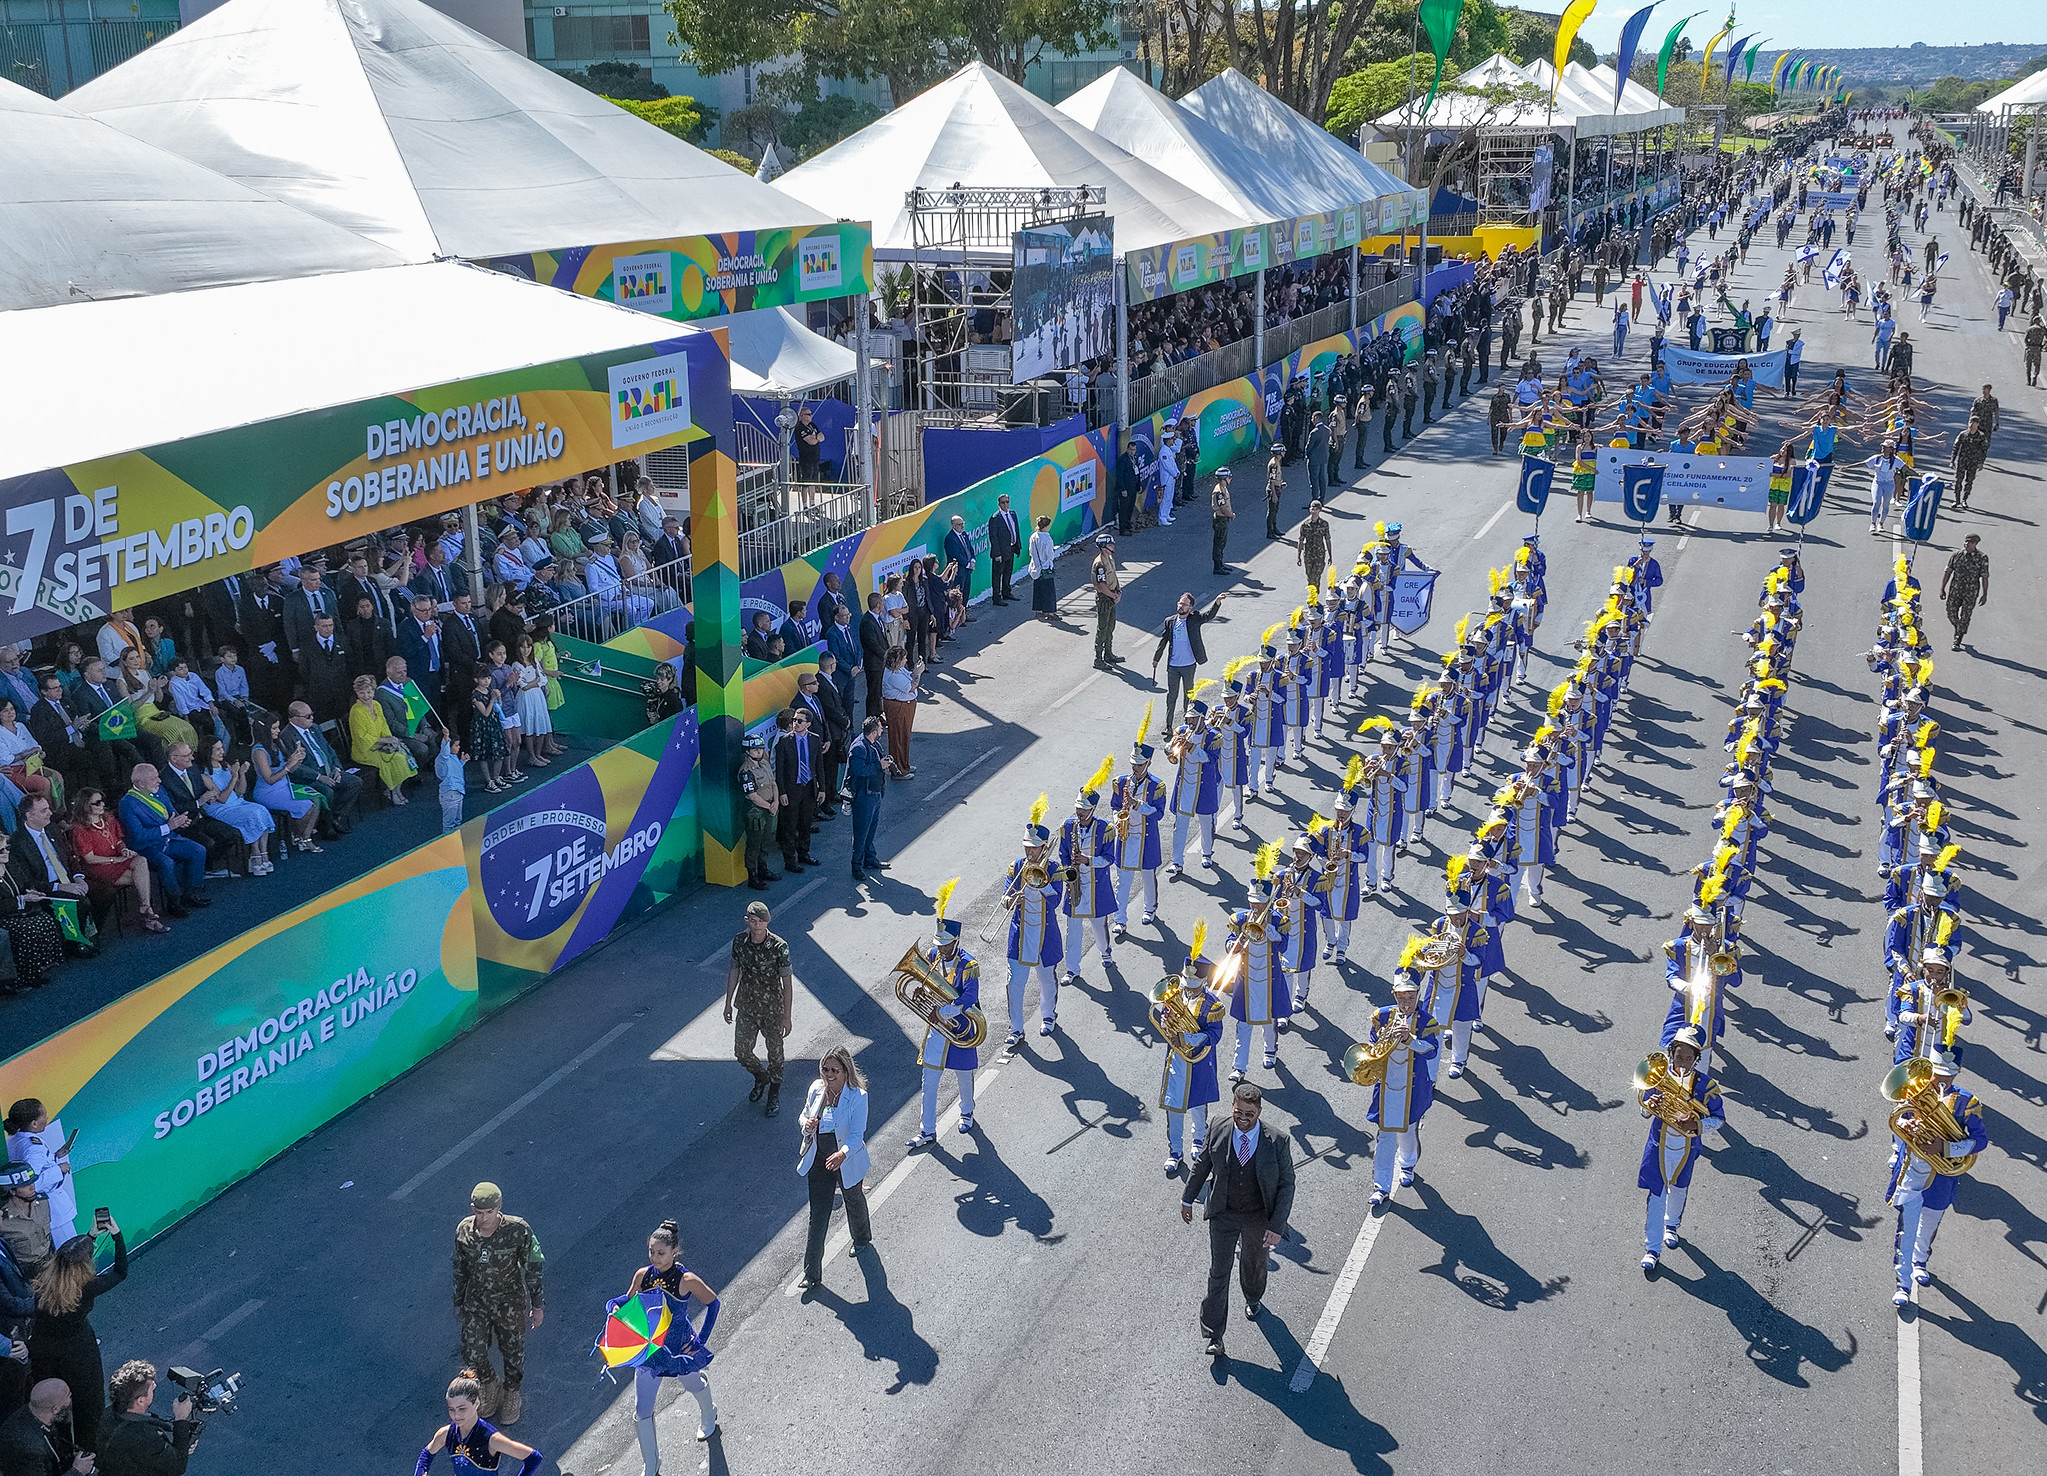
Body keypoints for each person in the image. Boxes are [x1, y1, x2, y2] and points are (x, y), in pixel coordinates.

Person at [1179, 1083, 1295, 1360]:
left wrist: (1276, 1227)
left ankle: (1253, 1297)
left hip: (1257, 1216)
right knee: (1219, 1271)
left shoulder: (1278, 1141)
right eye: (1238, 1112)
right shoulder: (1218, 1127)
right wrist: (1187, 1198)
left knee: (1253, 1264)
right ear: (1233, 1107)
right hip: (1224, 1213)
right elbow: (1202, 1164)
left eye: (1249, 1114)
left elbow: (1287, 1185)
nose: (1243, 1119)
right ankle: (1214, 1335)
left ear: (1259, 1112)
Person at [614, 1219, 721, 1467]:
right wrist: (616, 1306)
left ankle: (709, 1413)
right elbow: (627, 1300)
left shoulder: (687, 1279)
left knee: (693, 1383)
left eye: (661, 1253)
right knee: (642, 1411)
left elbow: (713, 1303)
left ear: (675, 1251)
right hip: (649, 1351)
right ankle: (651, 1464)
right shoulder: (643, 1275)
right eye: (651, 1251)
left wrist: (700, 1341)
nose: (655, 1257)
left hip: (677, 1350)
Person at [1886, 1048, 1989, 1305]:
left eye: (1948, 1075)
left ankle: (1920, 1261)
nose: (1942, 1081)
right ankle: (1903, 1284)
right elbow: (1899, 1126)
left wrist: (1945, 1148)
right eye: (1938, 1074)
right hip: (1913, 1173)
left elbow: (1980, 1141)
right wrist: (1906, 1126)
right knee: (1906, 1230)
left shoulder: (1967, 1102)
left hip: (1942, 1176)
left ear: (1956, 1075)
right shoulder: (1911, 1095)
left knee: (1928, 1225)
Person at [451, 1183, 545, 1426]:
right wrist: (458, 1300)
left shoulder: (517, 1230)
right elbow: (460, 1269)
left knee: (512, 1351)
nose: (483, 1218)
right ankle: (490, 1383)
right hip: (477, 1301)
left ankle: (512, 1392)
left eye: (489, 1213)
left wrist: (537, 1304)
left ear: (499, 1208)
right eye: (479, 1212)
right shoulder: (464, 1231)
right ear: (473, 1209)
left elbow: (533, 1266)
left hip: (509, 1302)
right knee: (472, 1351)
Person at [26, 1223, 123, 1455]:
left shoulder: (43, 1283)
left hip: (43, 1353)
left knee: (52, 1405)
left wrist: (89, 1237)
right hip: (78, 1354)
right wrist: (117, 1236)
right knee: (89, 1406)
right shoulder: (85, 1289)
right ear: (82, 1267)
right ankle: (87, 1456)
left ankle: (60, 1451)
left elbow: (69, 1256)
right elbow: (121, 1272)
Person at [1637, 1026, 1724, 1273]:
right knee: (1656, 1196)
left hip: (1686, 1146)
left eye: (1688, 1058)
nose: (1683, 1062)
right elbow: (1644, 1110)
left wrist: (1696, 1124)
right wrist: (1649, 1105)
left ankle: (1671, 1225)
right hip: (1659, 1145)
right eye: (1679, 1056)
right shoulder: (1658, 1077)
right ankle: (1652, 1249)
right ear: (1671, 1054)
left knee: (1679, 1190)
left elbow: (1718, 1119)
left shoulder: (1706, 1086)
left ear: (1696, 1059)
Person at [906, 883, 979, 1149]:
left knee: (964, 1074)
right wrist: (921, 988)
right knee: (929, 1080)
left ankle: (967, 1110)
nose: (942, 949)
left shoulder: (969, 965)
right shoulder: (933, 954)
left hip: (959, 1026)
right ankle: (927, 1130)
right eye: (940, 944)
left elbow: (970, 998)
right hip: (938, 1029)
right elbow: (928, 981)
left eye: (946, 945)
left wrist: (945, 1011)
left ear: (956, 942)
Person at [796, 1044, 873, 1291]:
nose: (829, 1074)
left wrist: (843, 1154)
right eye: (825, 1069)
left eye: (834, 1070)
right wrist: (806, 1125)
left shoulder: (857, 1096)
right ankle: (811, 1273)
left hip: (845, 1159)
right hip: (819, 1159)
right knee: (818, 1214)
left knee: (853, 1199)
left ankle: (861, 1238)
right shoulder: (816, 1089)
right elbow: (804, 1115)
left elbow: (857, 1134)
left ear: (846, 1071)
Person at [1363, 975, 1439, 1206]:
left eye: (1411, 997)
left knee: (1407, 1131)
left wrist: (1410, 1039)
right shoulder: (1382, 1016)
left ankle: (1407, 1164)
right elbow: (1372, 1046)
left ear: (1418, 996)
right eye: (1402, 998)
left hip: (1413, 1087)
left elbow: (1432, 1050)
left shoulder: (1427, 1020)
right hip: (1387, 1085)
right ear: (1395, 996)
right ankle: (1381, 1186)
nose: (1406, 1003)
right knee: (1385, 1136)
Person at [1001, 802, 1065, 1048]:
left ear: (1044, 847)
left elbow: (1056, 900)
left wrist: (1041, 883)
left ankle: (1048, 1015)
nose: (1029, 853)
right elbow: (1005, 896)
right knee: (1014, 983)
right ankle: (1016, 1028)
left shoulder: (1055, 868)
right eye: (1027, 847)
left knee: (1047, 980)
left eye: (1034, 848)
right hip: (1020, 934)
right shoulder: (1017, 866)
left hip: (1044, 934)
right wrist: (1010, 899)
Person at [724, 900, 792, 1116]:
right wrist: (728, 1002)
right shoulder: (739, 942)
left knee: (776, 1055)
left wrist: (787, 1016)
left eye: (759, 922)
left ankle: (773, 1092)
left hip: (772, 1009)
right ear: (747, 921)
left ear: (766, 923)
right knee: (741, 1051)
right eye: (752, 921)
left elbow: (787, 984)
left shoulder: (779, 947)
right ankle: (761, 1077)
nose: (755, 926)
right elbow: (734, 970)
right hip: (747, 1005)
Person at [63, 789, 165, 931]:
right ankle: (147, 915)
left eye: (102, 800)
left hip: (117, 860)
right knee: (141, 876)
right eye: (97, 802)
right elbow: (90, 859)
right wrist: (115, 860)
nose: (102, 804)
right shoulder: (80, 829)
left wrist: (123, 849)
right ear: (86, 805)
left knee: (141, 861)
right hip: (98, 868)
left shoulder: (109, 818)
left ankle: (145, 907)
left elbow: (118, 840)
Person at [115, 768, 209, 919]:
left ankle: (191, 893)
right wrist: (168, 827)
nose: (159, 781)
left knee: (198, 850)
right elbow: (138, 836)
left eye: (157, 777)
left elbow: (171, 812)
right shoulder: (128, 803)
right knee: (166, 863)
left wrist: (181, 821)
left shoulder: (160, 790)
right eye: (154, 778)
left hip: (169, 839)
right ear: (140, 783)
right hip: (147, 847)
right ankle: (174, 902)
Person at [413, 1369, 542, 1476]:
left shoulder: (492, 1439)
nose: (456, 1415)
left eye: (462, 1408)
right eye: (451, 1409)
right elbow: (426, 1455)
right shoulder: (446, 1434)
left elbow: (534, 1458)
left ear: (476, 1403)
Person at [94, 1362, 199, 1476]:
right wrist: (181, 1419)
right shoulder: (145, 1435)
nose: (155, 1386)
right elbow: (177, 1467)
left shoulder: (109, 1413)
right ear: (141, 1400)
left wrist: (180, 1446)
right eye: (150, 1388)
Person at [1151, 592, 1228, 731]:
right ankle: (1168, 726)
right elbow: (1163, 641)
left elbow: (1209, 615)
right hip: (1173, 666)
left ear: (1191, 608)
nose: (1181, 606)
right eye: (1180, 603)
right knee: (1171, 696)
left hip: (1188, 665)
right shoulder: (1170, 621)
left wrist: (1217, 602)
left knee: (1188, 695)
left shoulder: (1195, 618)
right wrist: (1156, 658)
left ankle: (1187, 724)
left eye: (1185, 604)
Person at [283, 702, 365, 827]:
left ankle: (335, 816)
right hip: (309, 776)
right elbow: (295, 767)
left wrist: (337, 768)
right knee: (328, 792)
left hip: (328, 768)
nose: (312, 718)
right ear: (295, 719)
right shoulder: (286, 736)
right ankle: (328, 824)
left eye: (312, 715)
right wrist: (319, 777)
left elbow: (329, 749)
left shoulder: (314, 728)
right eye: (308, 716)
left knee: (355, 782)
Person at [0, 843, 65, 994]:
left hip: (21, 910)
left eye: (7, 847)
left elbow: (26, 881)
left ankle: (36, 970)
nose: (6, 852)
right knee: (27, 930)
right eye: (1, 850)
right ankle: (20, 979)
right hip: (5, 914)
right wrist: (21, 899)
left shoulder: (12, 863)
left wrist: (32, 891)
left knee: (45, 920)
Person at [344, 675, 415, 805]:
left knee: (400, 757)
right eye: (362, 692)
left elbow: (384, 725)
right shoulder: (356, 711)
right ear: (357, 693)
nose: (366, 696)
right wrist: (385, 741)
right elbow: (362, 737)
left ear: (374, 691)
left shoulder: (377, 705)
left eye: (369, 692)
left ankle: (396, 791)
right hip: (365, 750)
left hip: (381, 744)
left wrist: (390, 738)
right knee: (387, 761)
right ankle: (392, 792)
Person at [0, 1376, 90, 1476]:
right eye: (69, 1396)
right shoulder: (31, 1449)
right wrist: (78, 1471)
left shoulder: (30, 1412)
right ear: (55, 1409)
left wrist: (69, 1457)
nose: (71, 1399)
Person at [844, 717, 891, 881]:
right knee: (861, 833)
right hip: (864, 796)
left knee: (870, 830)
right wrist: (880, 765)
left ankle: (870, 859)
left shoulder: (874, 744)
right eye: (880, 728)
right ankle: (856, 866)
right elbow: (859, 771)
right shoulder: (859, 748)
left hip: (875, 793)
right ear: (873, 731)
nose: (882, 730)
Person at [1939, 534, 1990, 651]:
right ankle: (1959, 627)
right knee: (1951, 612)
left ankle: (1957, 639)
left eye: (1970, 542)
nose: (1967, 544)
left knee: (1965, 615)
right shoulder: (1956, 556)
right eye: (1966, 541)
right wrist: (1942, 588)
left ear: (1975, 544)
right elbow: (1948, 572)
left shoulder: (1982, 558)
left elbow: (1985, 577)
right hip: (1955, 590)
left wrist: (1985, 594)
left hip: (1971, 592)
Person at [880, 650, 917, 778]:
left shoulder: (899, 670)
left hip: (904, 706)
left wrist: (915, 674)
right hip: (897, 708)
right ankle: (898, 770)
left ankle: (904, 764)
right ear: (897, 661)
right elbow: (912, 685)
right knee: (898, 738)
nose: (906, 660)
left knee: (904, 736)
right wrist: (918, 672)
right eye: (904, 658)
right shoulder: (893, 675)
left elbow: (910, 676)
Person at [1088, 534, 1121, 670]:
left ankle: (1108, 653)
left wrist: (1118, 591)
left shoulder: (1110, 558)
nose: (1113, 546)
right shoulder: (1100, 563)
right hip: (1104, 598)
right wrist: (1113, 595)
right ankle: (1098, 659)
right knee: (1103, 628)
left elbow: (1114, 575)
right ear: (1103, 546)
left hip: (1112, 595)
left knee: (1111, 626)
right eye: (1110, 544)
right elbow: (1101, 585)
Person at [986, 493, 1021, 605]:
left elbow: (1016, 530)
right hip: (1001, 551)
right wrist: (997, 554)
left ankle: (1007, 592)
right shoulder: (995, 518)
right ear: (999, 504)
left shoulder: (1012, 514)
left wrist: (1017, 546)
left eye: (1007, 502)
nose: (1005, 504)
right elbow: (993, 537)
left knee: (1008, 571)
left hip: (1011, 548)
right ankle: (996, 597)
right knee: (997, 575)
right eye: (1003, 502)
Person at [1027, 515, 1057, 623]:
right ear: (1046, 526)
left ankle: (1038, 610)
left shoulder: (1033, 536)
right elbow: (1050, 555)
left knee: (1038, 590)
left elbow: (1031, 552)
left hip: (1036, 568)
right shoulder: (1047, 539)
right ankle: (1050, 612)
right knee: (1049, 591)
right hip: (1046, 568)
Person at [1209, 468, 1235, 576]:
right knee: (1218, 542)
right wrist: (1231, 514)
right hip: (1221, 519)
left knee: (1223, 542)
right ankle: (1217, 566)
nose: (1230, 479)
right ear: (1223, 479)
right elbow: (1223, 508)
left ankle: (1221, 563)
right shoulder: (1219, 492)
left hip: (1224, 519)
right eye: (1229, 477)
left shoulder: (1223, 488)